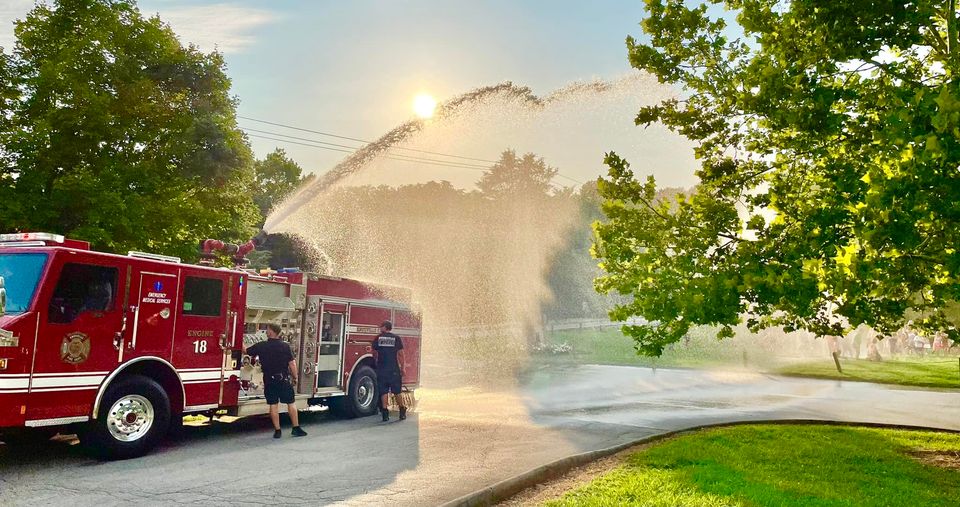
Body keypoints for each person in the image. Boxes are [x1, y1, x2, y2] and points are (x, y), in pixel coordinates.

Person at [245, 323, 307, 438]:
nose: (266, 332)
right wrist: (295, 377)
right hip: (283, 379)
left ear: (271, 332)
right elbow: (292, 363)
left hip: (269, 380)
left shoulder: (262, 345)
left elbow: (246, 351)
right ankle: (296, 428)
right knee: (291, 403)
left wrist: (238, 339)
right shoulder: (285, 346)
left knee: (273, 405)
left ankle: (277, 431)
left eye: (267, 330)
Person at [372, 320, 406, 422]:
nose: (379, 328)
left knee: (384, 391)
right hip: (393, 369)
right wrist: (403, 368)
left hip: (382, 369)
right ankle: (402, 410)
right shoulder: (396, 338)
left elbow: (374, 352)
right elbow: (401, 354)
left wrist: (376, 361)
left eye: (381, 326)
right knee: (397, 391)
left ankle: (385, 414)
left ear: (385, 327)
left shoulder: (378, 338)